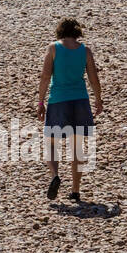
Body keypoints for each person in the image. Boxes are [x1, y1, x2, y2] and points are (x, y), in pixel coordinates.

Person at [37, 18, 103, 202]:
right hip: (81, 101)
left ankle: (55, 175)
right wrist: (98, 100)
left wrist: (40, 102)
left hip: (58, 100)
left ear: (59, 31)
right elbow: (93, 78)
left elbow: (45, 76)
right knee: (77, 148)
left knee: (51, 143)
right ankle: (75, 190)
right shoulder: (85, 51)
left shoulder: (53, 48)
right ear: (77, 31)